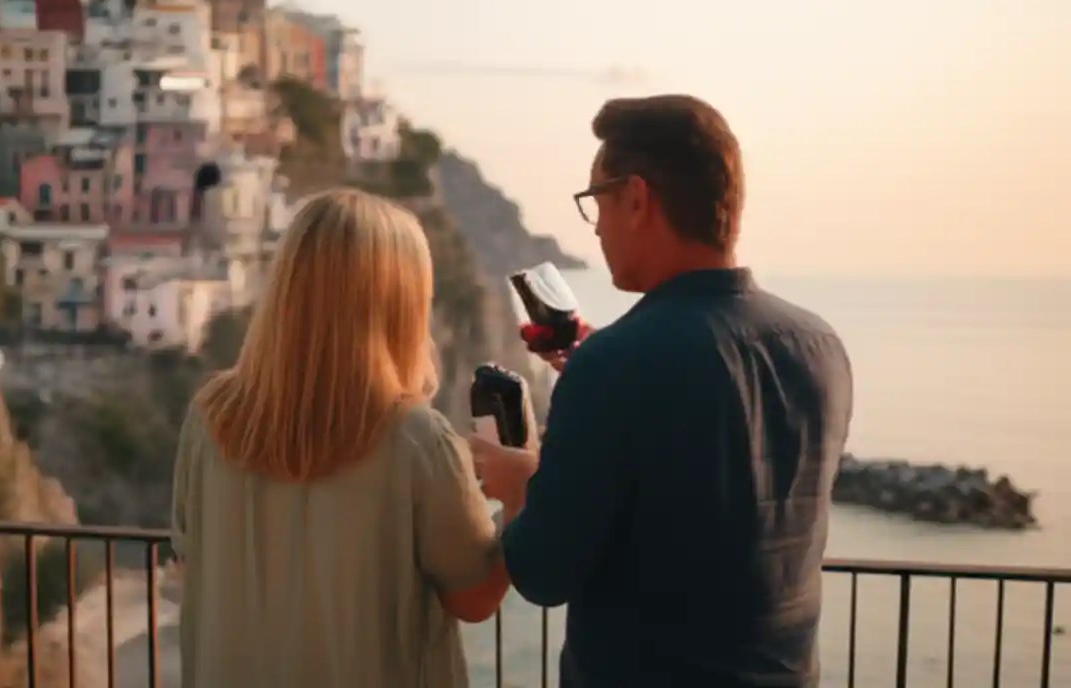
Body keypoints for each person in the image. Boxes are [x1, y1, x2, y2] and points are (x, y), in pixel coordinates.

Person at [470, 95, 854, 687]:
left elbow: (544, 573)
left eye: (596, 199)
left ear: (637, 198)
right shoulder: (819, 344)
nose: (596, 224)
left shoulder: (615, 365)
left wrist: (519, 480)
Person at [170, 188, 514, 688]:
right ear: (400, 301)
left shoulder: (210, 418)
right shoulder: (416, 439)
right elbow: (474, 596)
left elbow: (188, 556)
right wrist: (521, 497)